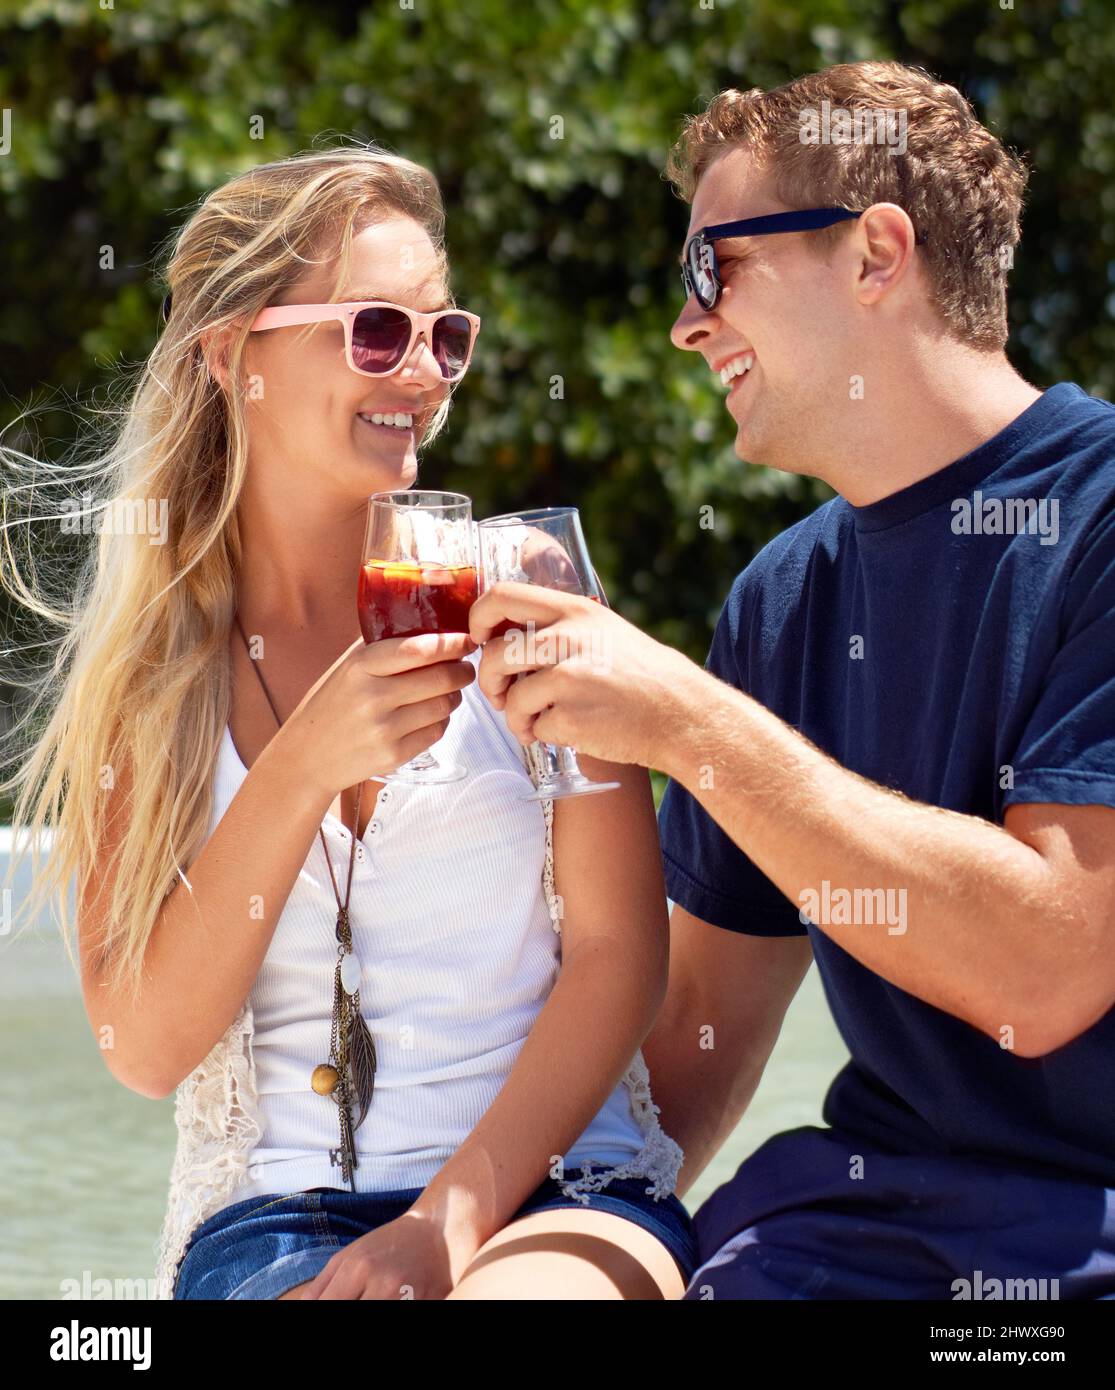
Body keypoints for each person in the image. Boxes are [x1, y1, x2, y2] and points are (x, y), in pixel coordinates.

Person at [0, 144, 695, 1300]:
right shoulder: (156, 679)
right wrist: (305, 762)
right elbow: (145, 1044)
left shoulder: (526, 591)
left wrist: (442, 1228)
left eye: (445, 335)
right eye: (377, 329)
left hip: (557, 1189)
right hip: (275, 1221)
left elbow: (624, 959)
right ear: (233, 354)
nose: (424, 371)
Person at [469, 61, 1115, 1299]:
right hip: (841, 1232)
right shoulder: (781, 596)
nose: (685, 322)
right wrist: (466, 1217)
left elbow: (1043, 974)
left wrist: (681, 719)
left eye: (716, 265)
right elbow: (695, 1048)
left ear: (876, 254)